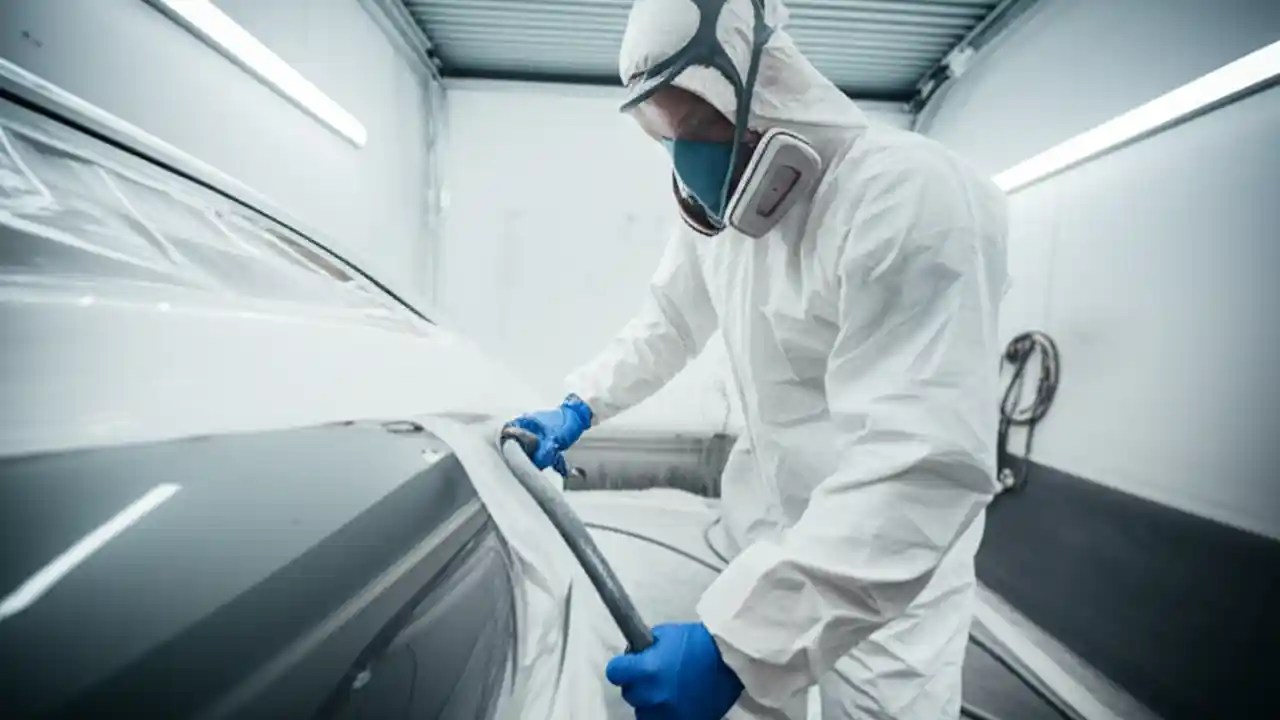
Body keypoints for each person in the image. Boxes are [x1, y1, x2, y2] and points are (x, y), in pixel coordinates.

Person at [504, 0, 1009, 717]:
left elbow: (922, 463)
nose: (686, 152)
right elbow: (671, 319)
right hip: (764, 547)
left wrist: (739, 647)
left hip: (886, 575)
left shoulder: (907, 196)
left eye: (698, 121)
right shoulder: (727, 210)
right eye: (667, 129)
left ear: (757, 81)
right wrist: (581, 402)